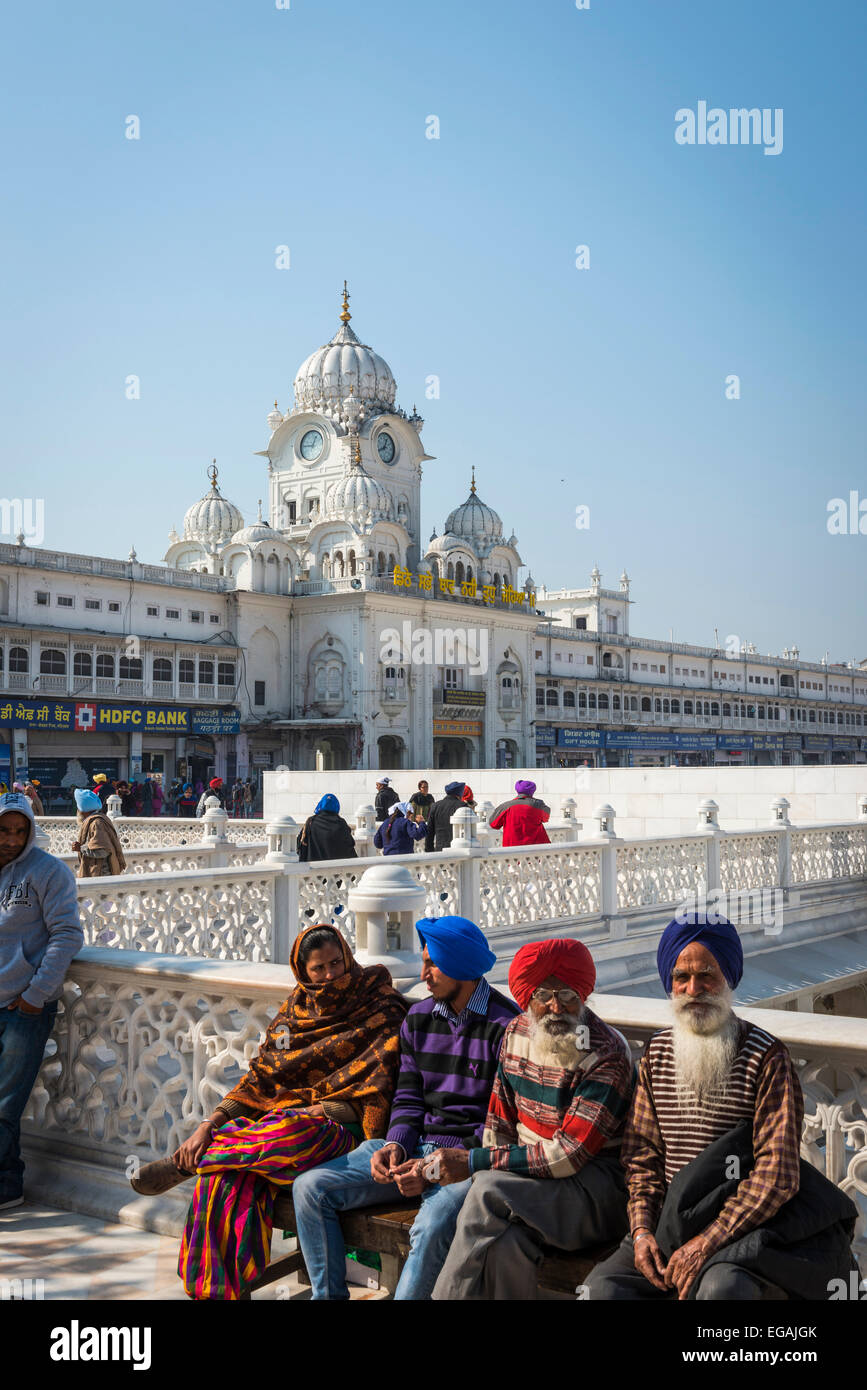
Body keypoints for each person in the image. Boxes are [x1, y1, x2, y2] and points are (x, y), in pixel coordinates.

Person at [587, 913, 858, 1301]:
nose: (694, 988)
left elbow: (776, 1174)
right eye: (682, 977)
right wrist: (643, 1231)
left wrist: (706, 1242)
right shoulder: (657, 1055)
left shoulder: (766, 1057)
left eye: (707, 976)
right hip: (669, 1223)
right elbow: (641, 1157)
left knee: (722, 1289)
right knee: (602, 1289)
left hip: (741, 1227)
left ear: (727, 978)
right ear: (670, 984)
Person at [130, 923, 408, 1300]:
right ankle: (214, 1292)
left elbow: (379, 1088)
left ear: (347, 957)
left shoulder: (377, 1003)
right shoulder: (295, 1014)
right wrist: (209, 1125)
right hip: (276, 1133)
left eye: (335, 964)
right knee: (222, 1182)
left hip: (342, 1131)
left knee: (291, 1129)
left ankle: (190, 1164)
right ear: (302, 971)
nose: (330, 975)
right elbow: (260, 1080)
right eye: (319, 969)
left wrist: (320, 1110)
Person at [292, 915, 519, 1300]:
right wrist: (394, 1145)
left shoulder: (505, 1026)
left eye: (433, 964)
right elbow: (408, 1098)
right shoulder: (418, 1019)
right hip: (413, 1150)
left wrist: (431, 1170)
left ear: (461, 967)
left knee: (429, 1229)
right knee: (310, 1188)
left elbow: (502, 1126)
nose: (424, 973)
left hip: (462, 1163)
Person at [431, 938, 634, 1300]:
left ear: (583, 995)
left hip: (595, 1190)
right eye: (543, 995)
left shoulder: (605, 1053)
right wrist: (493, 1163)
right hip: (532, 1186)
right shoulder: (515, 1033)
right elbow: (499, 1124)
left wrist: (479, 1163)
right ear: (528, 999)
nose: (556, 1007)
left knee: (488, 1189)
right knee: (506, 1244)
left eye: (568, 995)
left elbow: (568, 1155)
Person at [0, 790, 83, 1209]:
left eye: (20, 831)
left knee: (4, 1101)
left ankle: (6, 1185)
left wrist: (34, 996)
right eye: (4, 830)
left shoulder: (48, 872)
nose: (11, 839)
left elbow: (67, 934)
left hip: (23, 1009)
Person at [71, 788, 127, 878]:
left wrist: (81, 848)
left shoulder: (97, 823)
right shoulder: (97, 820)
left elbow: (102, 851)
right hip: (98, 873)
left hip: (101, 874)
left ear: (82, 809)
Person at [489, 779, 551, 847]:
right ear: (532, 791)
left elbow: (493, 824)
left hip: (512, 850)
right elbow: (546, 818)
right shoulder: (539, 805)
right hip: (536, 849)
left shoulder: (505, 806)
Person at [297, 794, 357, 862]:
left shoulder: (311, 822)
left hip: (313, 868)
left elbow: (300, 844)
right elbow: (350, 846)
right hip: (336, 869)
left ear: (321, 805)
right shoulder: (341, 823)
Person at [424, 781, 466, 852]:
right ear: (459, 794)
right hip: (457, 850)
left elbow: (429, 831)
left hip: (439, 849)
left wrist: (429, 850)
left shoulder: (435, 806)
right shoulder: (462, 806)